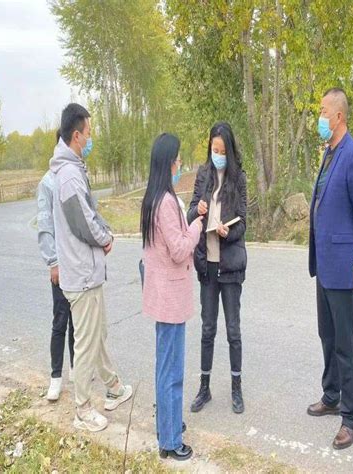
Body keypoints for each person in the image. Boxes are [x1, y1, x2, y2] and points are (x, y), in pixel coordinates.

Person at [50, 103, 132, 432]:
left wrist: (104, 231)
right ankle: (82, 409)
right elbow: (84, 223)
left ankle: (113, 386)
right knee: (85, 343)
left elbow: (91, 213)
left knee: (98, 334)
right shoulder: (69, 176)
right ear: (76, 135)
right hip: (81, 274)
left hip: (87, 272)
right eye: (88, 133)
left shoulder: (72, 169)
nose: (90, 139)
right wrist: (105, 239)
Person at [308, 88, 353, 449]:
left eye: (322, 111)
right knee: (328, 336)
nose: (319, 117)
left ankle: (351, 417)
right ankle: (331, 396)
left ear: (338, 116)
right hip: (324, 266)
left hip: (344, 268)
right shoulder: (330, 152)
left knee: (346, 345)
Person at [141, 133, 203, 461]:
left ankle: (167, 425)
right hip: (170, 299)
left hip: (163, 296)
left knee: (165, 366)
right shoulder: (165, 201)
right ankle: (170, 440)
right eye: (178, 159)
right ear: (169, 163)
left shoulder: (154, 197)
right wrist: (196, 227)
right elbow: (179, 249)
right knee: (172, 371)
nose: (180, 165)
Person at [187, 122, 247, 414]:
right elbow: (190, 214)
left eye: (222, 151)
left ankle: (236, 388)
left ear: (230, 151)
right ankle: (204, 387)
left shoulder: (239, 179)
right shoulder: (203, 174)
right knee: (207, 329)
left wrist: (228, 232)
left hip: (230, 265)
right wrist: (196, 210)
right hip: (207, 265)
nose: (218, 155)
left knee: (233, 330)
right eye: (214, 149)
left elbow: (243, 222)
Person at [37, 129, 74, 401]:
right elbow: (45, 224)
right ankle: (56, 377)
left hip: (77, 262)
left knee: (78, 323)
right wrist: (53, 262)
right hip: (61, 264)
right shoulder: (48, 182)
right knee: (60, 320)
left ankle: (77, 370)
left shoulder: (75, 175)